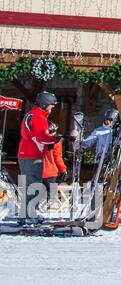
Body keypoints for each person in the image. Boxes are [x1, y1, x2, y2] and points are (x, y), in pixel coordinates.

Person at [17, 91, 60, 220]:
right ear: (45, 104)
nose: (52, 109)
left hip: (26, 154)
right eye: (51, 106)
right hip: (32, 156)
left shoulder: (31, 114)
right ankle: (28, 216)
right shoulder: (38, 117)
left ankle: (28, 215)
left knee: (32, 186)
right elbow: (41, 137)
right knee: (34, 187)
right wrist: (56, 139)